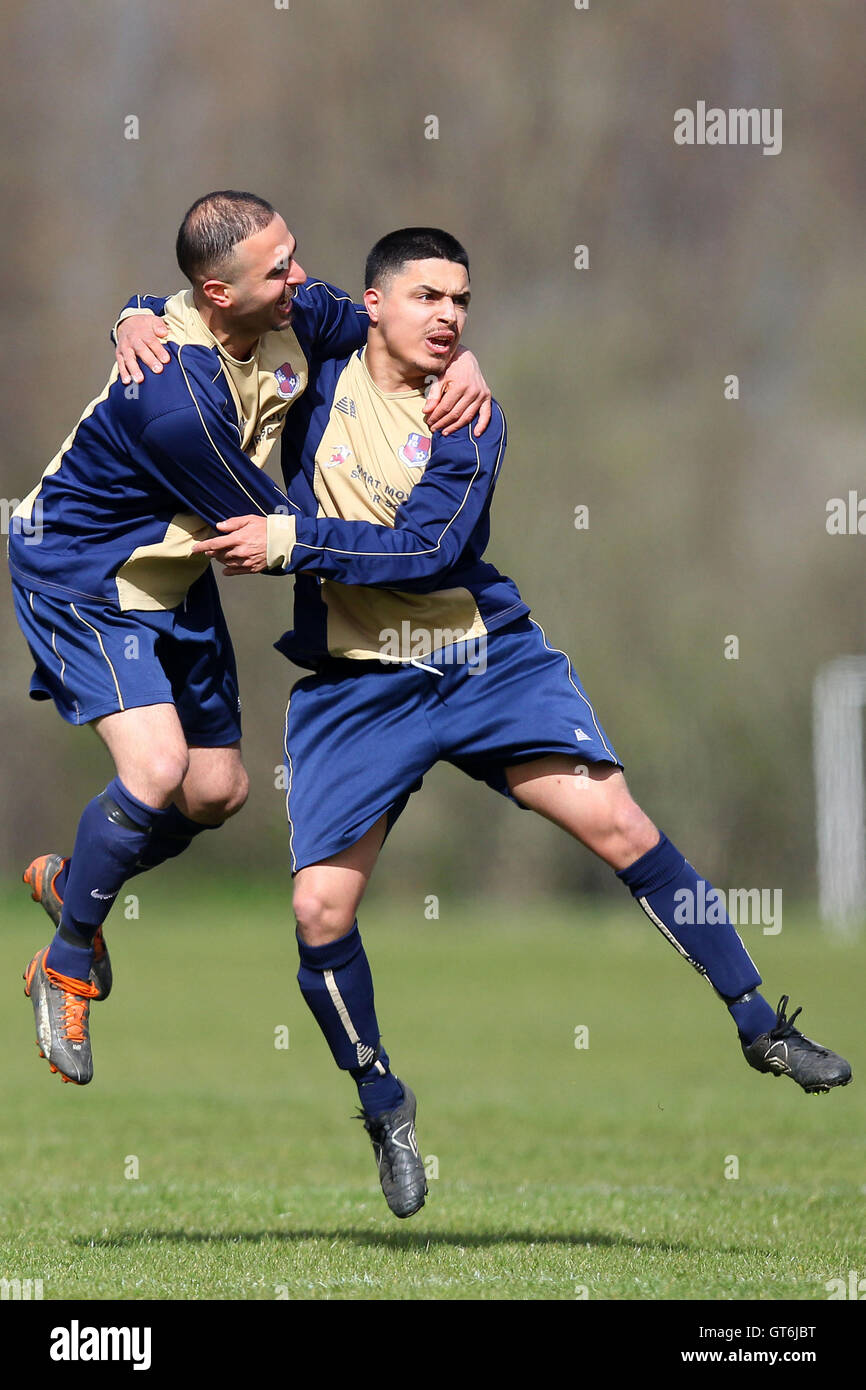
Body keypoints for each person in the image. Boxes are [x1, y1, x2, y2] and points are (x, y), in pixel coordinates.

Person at [131, 227, 853, 1222]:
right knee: (317, 915)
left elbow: (427, 549)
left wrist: (289, 536)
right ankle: (383, 1101)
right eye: (426, 295)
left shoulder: (472, 416)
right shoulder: (325, 336)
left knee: (621, 826)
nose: (448, 317)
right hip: (356, 685)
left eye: (461, 302)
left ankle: (755, 1021)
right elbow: (221, 289)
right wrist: (133, 315)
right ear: (371, 304)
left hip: (479, 660)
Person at [10, 193, 490, 1089]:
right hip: (80, 573)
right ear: (219, 295)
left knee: (217, 792)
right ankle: (67, 963)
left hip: (172, 575)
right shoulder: (176, 405)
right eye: (279, 270)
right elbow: (275, 529)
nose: (300, 279)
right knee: (154, 772)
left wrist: (466, 365)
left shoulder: (279, 305)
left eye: (293, 255)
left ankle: (75, 882)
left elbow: (383, 324)